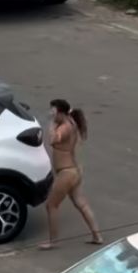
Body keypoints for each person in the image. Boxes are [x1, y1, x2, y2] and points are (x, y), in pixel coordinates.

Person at [41, 98, 101, 250]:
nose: (51, 113)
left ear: (60, 112)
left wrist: (52, 124)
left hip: (66, 173)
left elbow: (53, 139)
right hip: (73, 171)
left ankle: (53, 241)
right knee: (81, 204)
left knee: (51, 205)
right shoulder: (70, 123)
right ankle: (97, 236)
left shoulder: (65, 127)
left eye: (53, 110)